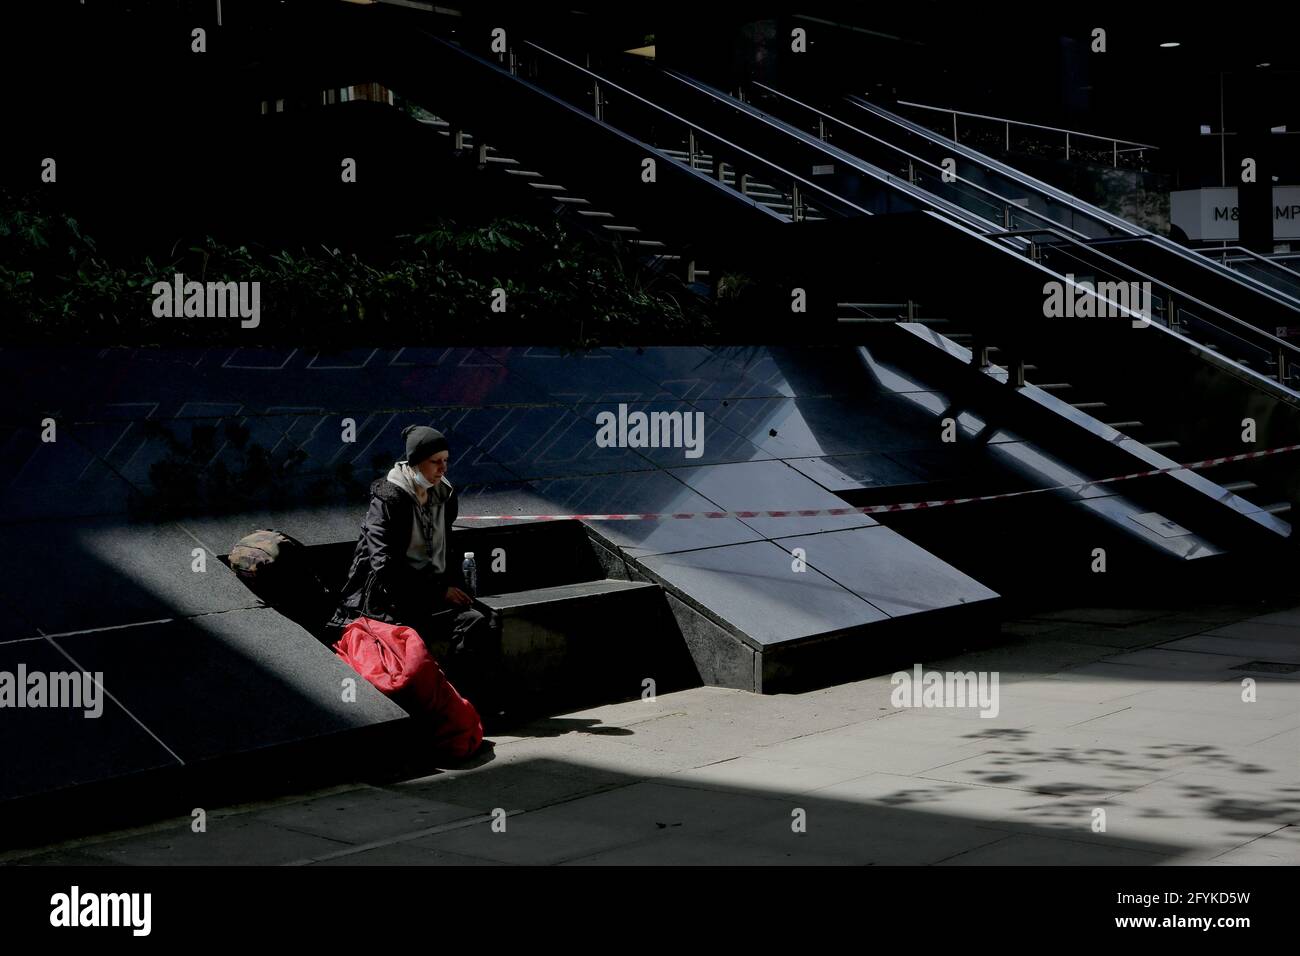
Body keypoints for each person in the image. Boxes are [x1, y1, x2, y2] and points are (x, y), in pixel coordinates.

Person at [331, 425, 503, 718]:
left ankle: (472, 705)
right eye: (435, 461)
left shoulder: (444, 496)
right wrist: (439, 590)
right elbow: (383, 565)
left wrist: (451, 585)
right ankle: (450, 710)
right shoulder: (388, 499)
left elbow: (445, 550)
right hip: (385, 598)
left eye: (446, 460)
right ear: (415, 462)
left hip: (427, 588)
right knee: (431, 632)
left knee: (483, 620)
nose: (442, 468)